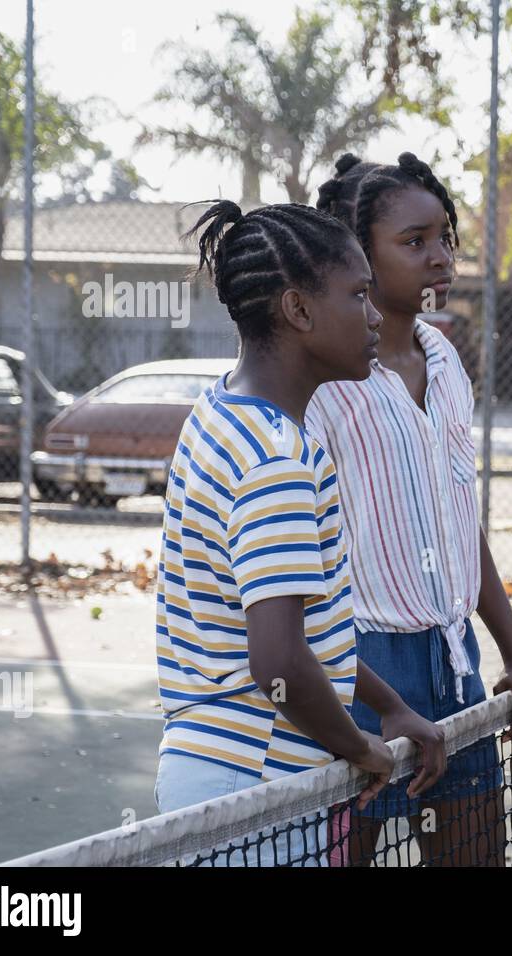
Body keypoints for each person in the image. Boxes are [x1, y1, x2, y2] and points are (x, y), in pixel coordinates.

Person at [309, 152, 512, 866]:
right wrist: (369, 694)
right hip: (358, 674)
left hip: (455, 666)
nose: (440, 256)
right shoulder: (323, 379)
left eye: (443, 236)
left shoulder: (445, 362)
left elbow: (458, 520)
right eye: (414, 243)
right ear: (358, 255)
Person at [154, 199, 398, 865]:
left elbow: (302, 635)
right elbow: (278, 662)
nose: (375, 316)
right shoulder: (276, 460)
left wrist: (391, 706)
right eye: (358, 295)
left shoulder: (218, 413)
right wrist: (359, 744)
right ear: (298, 311)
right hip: (256, 789)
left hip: (215, 776)